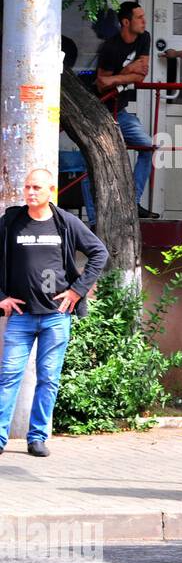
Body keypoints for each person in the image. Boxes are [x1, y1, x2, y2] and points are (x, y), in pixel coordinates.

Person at [0, 169, 108, 457]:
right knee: (9, 375)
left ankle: (37, 438)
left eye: (37, 187)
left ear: (51, 190)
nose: (30, 192)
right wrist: (1, 298)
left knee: (48, 378)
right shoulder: (12, 221)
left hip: (55, 316)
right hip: (21, 316)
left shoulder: (65, 223)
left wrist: (76, 291)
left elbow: (99, 253)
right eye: (27, 187)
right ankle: (0, 438)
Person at [90, 1, 160, 222]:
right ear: (125, 22)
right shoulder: (110, 47)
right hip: (101, 111)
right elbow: (101, 84)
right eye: (139, 17)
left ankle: (132, 202)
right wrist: (127, 70)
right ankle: (94, 218)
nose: (144, 21)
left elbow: (141, 75)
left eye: (143, 16)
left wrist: (118, 77)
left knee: (147, 147)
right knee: (88, 162)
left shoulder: (144, 37)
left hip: (120, 110)